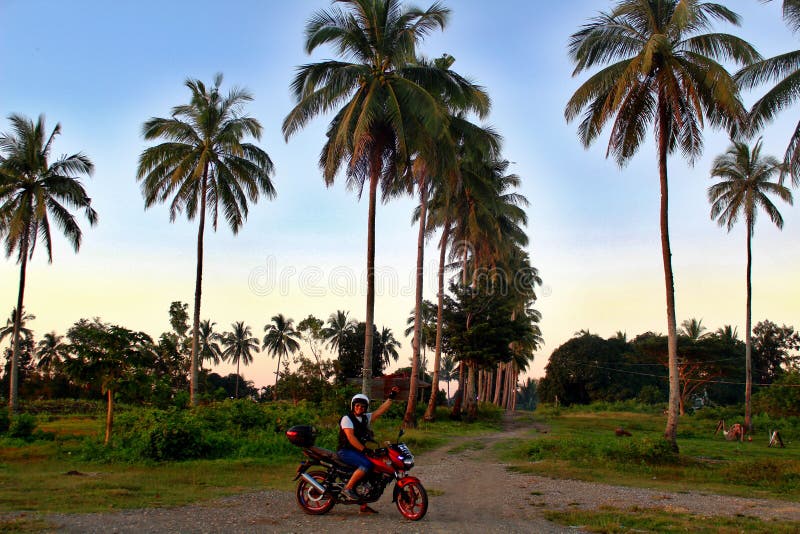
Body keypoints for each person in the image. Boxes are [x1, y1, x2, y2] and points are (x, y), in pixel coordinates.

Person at [338, 386, 400, 513]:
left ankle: (363, 505)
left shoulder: (365, 418)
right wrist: (364, 450)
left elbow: (380, 410)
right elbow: (351, 437)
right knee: (366, 464)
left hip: (357, 451)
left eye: (362, 406)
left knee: (374, 470)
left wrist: (391, 397)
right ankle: (347, 489)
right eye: (357, 406)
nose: (360, 408)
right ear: (353, 406)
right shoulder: (347, 419)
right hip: (345, 451)